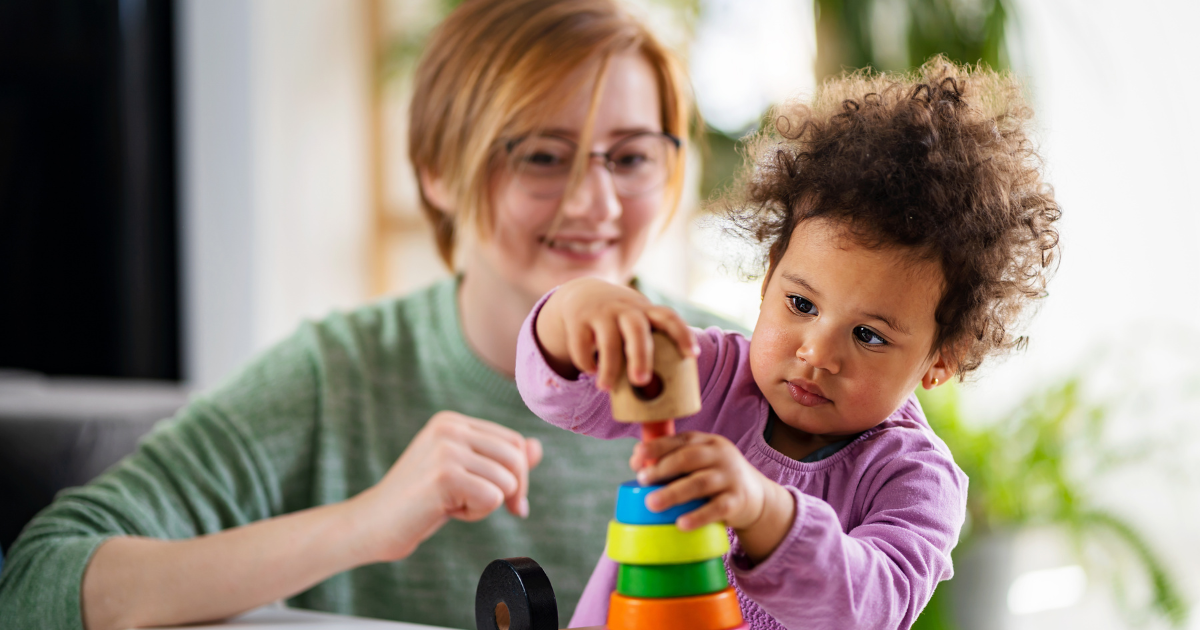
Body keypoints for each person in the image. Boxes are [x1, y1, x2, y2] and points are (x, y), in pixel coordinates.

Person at [0, 1, 741, 629]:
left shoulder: (750, 375)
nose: (595, 204)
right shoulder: (336, 376)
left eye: (633, 157)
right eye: (543, 157)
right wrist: (362, 523)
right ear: (437, 172)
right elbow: (37, 583)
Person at [516, 57, 1062, 629]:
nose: (817, 354)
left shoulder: (913, 480)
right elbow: (562, 396)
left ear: (941, 359)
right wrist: (575, 312)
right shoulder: (712, 377)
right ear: (769, 277)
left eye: (869, 335)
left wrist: (764, 512)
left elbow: (872, 606)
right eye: (801, 305)